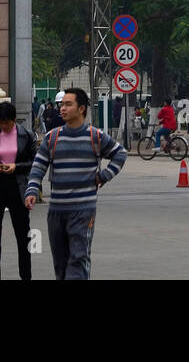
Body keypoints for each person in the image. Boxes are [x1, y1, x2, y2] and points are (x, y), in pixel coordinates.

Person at [25, 87, 127, 280]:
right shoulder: (52, 137)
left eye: (68, 104)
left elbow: (120, 154)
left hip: (83, 210)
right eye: (61, 105)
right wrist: (31, 189)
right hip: (56, 211)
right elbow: (39, 165)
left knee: (78, 259)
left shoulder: (95, 136)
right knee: (61, 263)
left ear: (81, 109)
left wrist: (105, 175)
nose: (62, 108)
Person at [0, 101, 37, 280]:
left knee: (23, 237)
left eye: (7, 122)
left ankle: (26, 275)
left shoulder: (26, 135)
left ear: (14, 119)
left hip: (18, 188)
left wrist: (16, 166)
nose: (3, 126)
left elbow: (34, 161)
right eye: (0, 122)